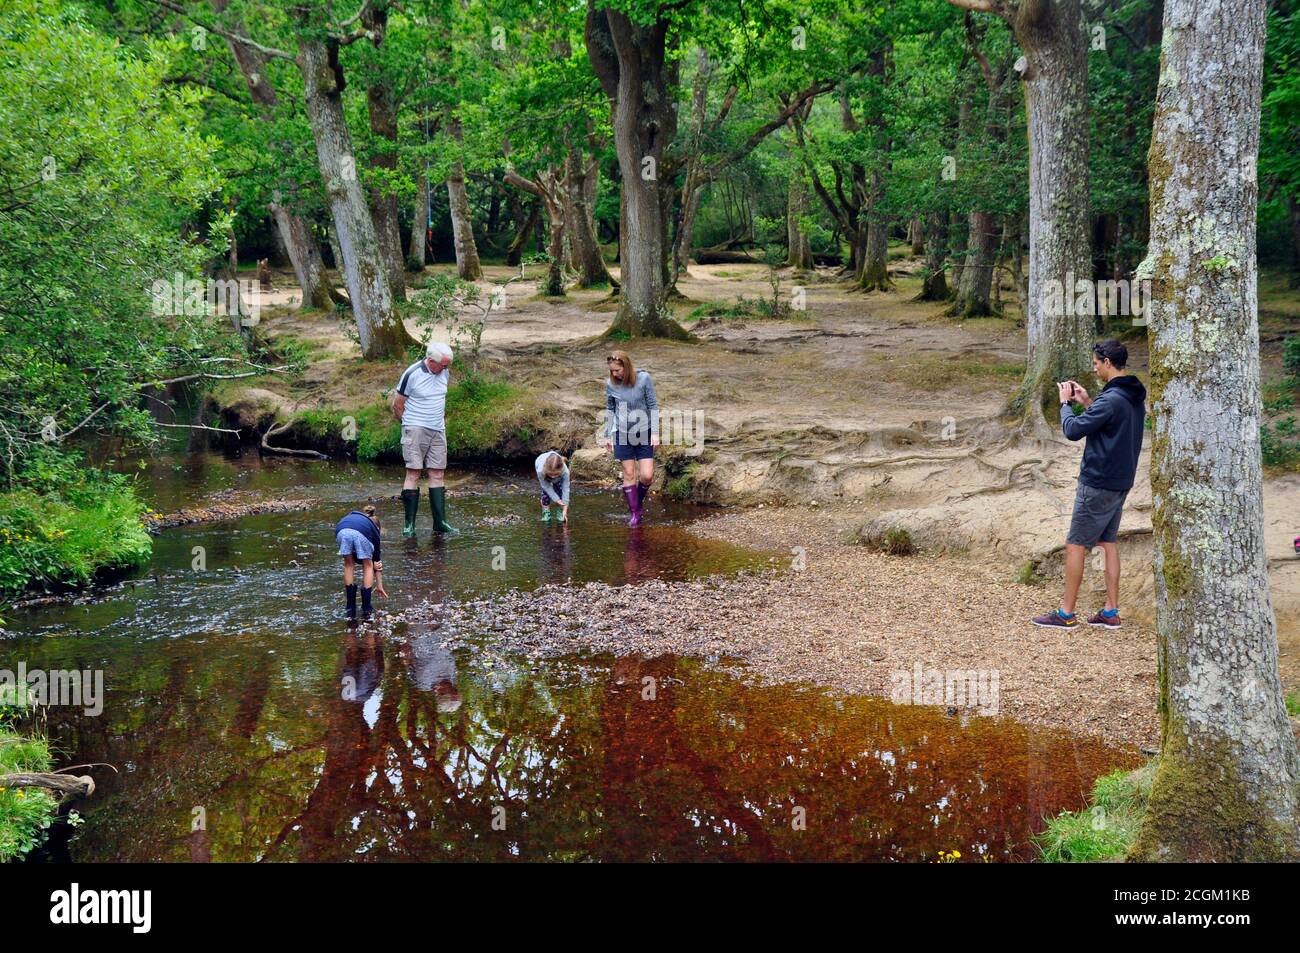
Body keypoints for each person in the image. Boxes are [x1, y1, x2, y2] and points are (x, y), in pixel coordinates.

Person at [1032, 339, 1147, 630]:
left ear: (1108, 362)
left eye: (1096, 363)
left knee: (1075, 544)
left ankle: (1066, 613)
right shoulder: (1131, 396)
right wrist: (1087, 402)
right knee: (1108, 543)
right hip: (1121, 482)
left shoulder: (1111, 400)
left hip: (1097, 482)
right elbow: (1108, 421)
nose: (1094, 369)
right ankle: (1110, 611)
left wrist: (1066, 404)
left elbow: (1072, 431)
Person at [394, 341, 457, 535]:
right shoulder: (412, 373)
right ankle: (409, 526)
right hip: (415, 427)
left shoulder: (444, 372)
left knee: (437, 473)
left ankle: (440, 522)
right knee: (413, 473)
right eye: (443, 365)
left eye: (447, 365)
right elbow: (397, 405)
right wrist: (409, 426)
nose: (446, 369)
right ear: (431, 360)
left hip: (438, 429)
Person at [601, 350, 658, 527]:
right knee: (629, 473)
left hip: (644, 431)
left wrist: (655, 432)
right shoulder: (610, 384)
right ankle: (635, 513)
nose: (614, 374)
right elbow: (610, 409)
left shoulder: (644, 378)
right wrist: (607, 434)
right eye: (612, 371)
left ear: (626, 366)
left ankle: (637, 503)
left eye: (617, 370)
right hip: (622, 432)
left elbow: (653, 405)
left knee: (647, 476)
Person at [336, 504, 386, 620]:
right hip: (359, 534)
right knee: (367, 566)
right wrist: (379, 586)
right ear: (378, 528)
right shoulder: (374, 531)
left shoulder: (356, 517)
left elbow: (355, 557)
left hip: (341, 530)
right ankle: (366, 606)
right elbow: (377, 562)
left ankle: (350, 606)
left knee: (349, 564)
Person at [535, 450, 571, 523]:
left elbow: (566, 488)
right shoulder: (540, 470)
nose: (553, 477)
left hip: (556, 474)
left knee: (559, 491)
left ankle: (560, 511)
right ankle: (546, 511)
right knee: (545, 493)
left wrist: (565, 508)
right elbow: (546, 487)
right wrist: (556, 500)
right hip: (544, 472)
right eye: (551, 474)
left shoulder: (565, 471)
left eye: (555, 474)